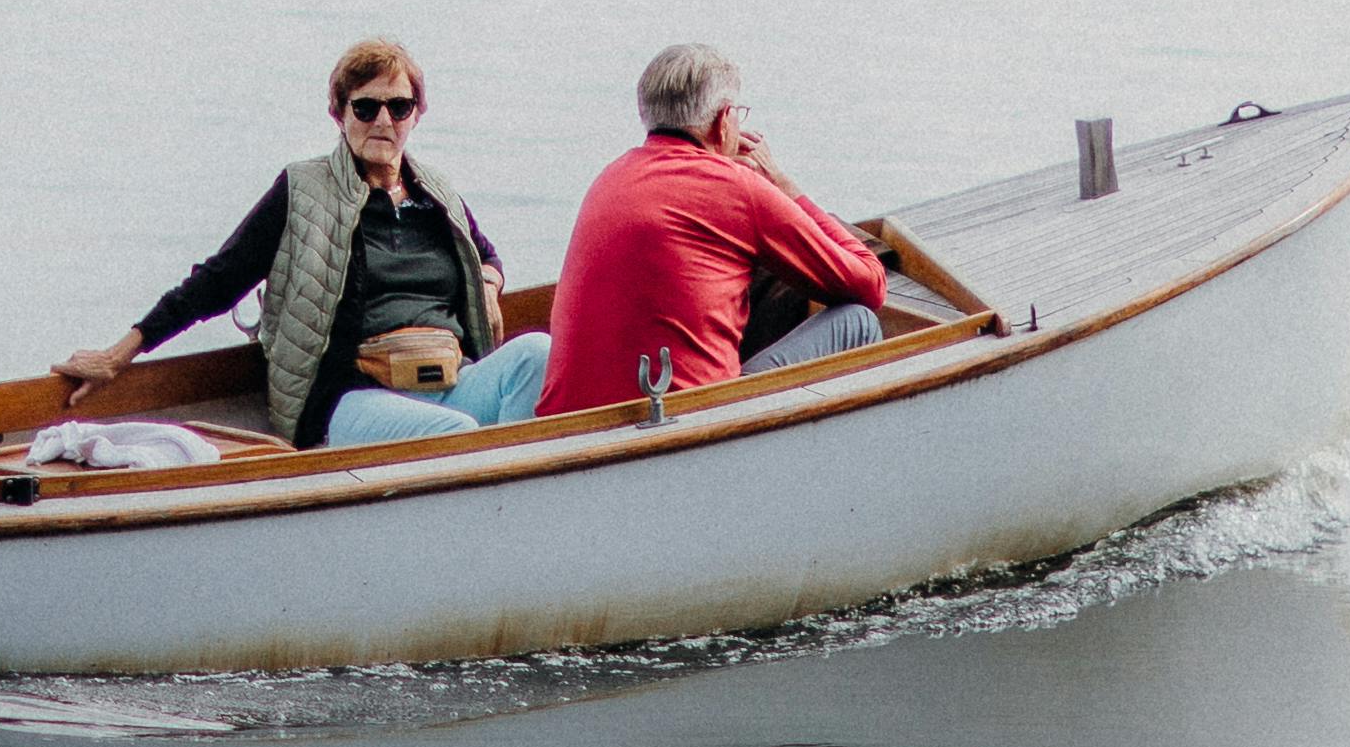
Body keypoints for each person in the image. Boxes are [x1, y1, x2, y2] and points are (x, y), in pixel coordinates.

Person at [60, 37, 554, 448]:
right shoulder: (303, 190)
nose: (383, 121)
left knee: (536, 352)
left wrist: (488, 281)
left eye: (398, 106)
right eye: (366, 107)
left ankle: (504, 487)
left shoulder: (436, 193)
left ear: (416, 115)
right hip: (354, 397)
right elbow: (218, 281)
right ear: (339, 114)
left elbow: (485, 254)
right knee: (456, 432)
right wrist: (119, 354)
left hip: (449, 379)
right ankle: (492, 485)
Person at [534, 43, 889, 418]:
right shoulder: (739, 188)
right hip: (688, 419)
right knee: (858, 322)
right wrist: (782, 185)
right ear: (723, 121)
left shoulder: (610, 178)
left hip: (572, 424)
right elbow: (870, 283)